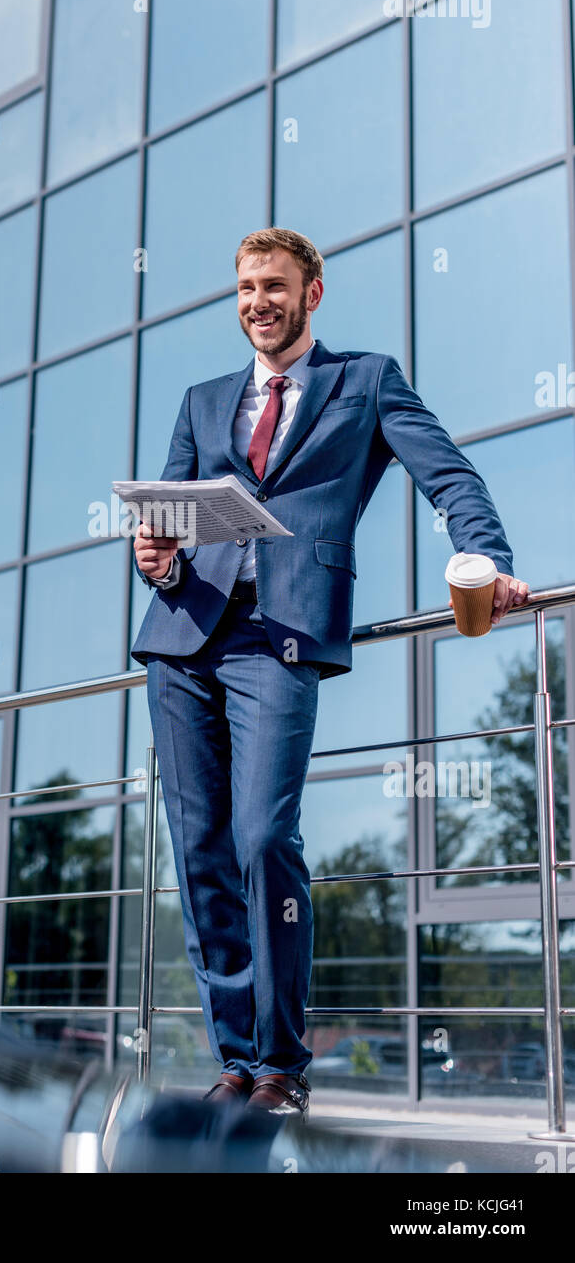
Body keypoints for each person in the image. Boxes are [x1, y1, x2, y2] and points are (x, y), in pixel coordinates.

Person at [130, 227, 530, 1118]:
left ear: (312, 293)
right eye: (242, 289)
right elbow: (163, 522)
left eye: (272, 286)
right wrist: (153, 555)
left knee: (262, 839)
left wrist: (486, 559)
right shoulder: (201, 401)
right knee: (198, 857)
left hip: (280, 636)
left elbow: (449, 477)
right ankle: (235, 1062)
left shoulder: (366, 380)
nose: (254, 303)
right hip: (182, 640)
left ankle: (280, 1066)